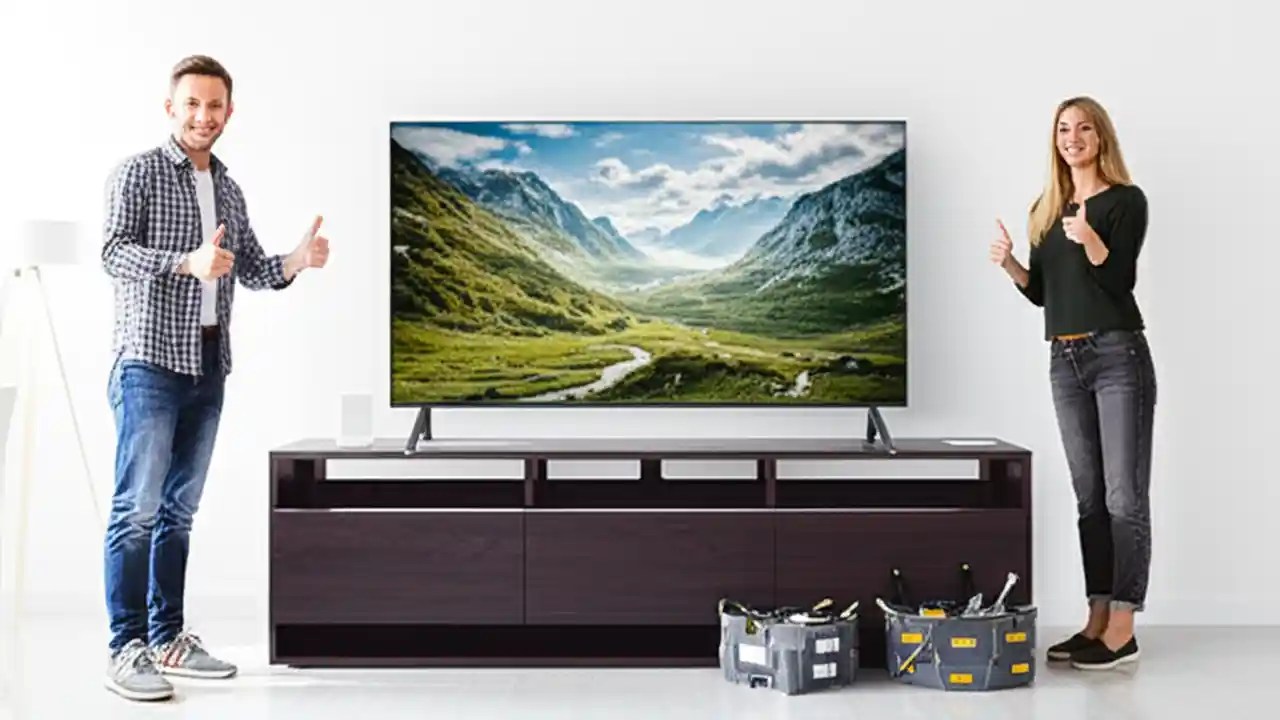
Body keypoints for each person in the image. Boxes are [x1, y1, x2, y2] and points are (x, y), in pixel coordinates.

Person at [99, 54, 330, 701]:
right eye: (192, 104)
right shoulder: (138, 174)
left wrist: (296, 261)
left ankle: (168, 637)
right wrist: (186, 261)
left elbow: (253, 267)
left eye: (215, 105)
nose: (204, 116)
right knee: (136, 510)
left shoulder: (227, 187)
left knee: (178, 511)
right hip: (148, 360)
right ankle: (126, 648)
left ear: (230, 112)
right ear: (170, 108)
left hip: (208, 363)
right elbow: (113, 253)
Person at [990, 96, 1155, 671]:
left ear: (1101, 137)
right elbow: (1043, 293)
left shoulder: (1124, 202)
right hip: (1064, 361)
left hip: (1116, 354)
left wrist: (1089, 238)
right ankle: (1096, 617)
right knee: (1089, 498)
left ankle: (1124, 628)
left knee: (1124, 497)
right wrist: (1011, 263)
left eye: (1084, 128)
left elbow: (1119, 279)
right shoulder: (1047, 206)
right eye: (1064, 129)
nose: (1073, 137)